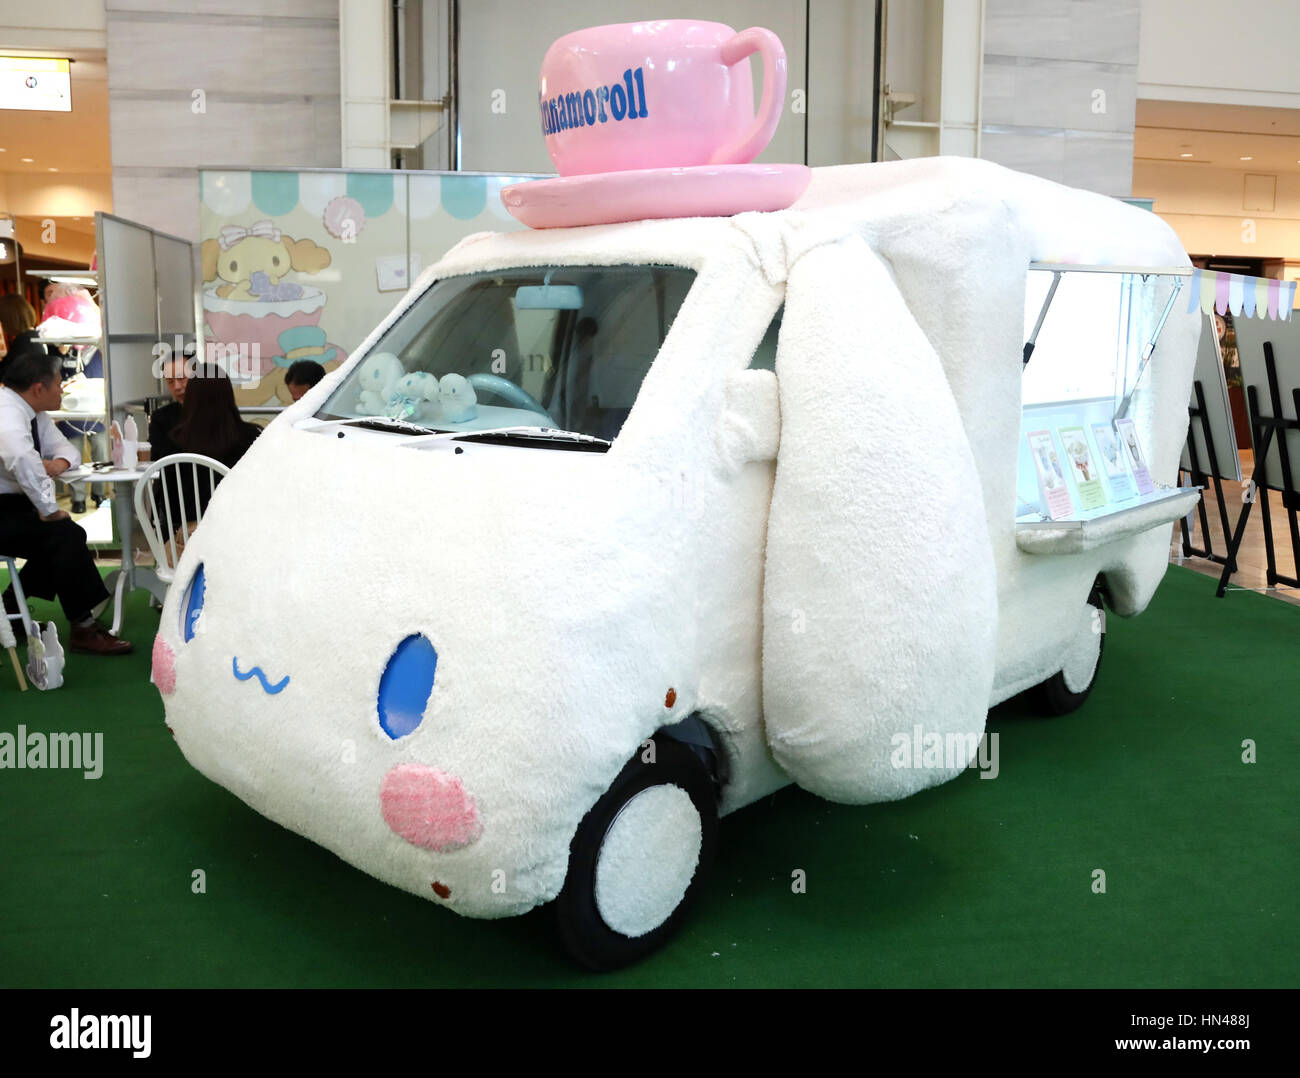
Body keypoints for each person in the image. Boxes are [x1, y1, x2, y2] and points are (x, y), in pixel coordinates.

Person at [0, 351, 133, 654]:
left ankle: (11, 608)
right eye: (59, 383)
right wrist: (48, 509)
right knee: (66, 536)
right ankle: (83, 628)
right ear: (38, 388)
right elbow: (22, 459)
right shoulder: (6, 415)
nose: (64, 389)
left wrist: (57, 463)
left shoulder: (33, 412)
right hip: (3, 507)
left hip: (14, 505)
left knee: (65, 536)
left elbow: (65, 451)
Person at [148, 363, 261, 560]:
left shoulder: (172, 442)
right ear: (228, 395)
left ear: (191, 397)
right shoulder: (250, 438)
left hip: (184, 539)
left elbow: (168, 497)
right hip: (236, 537)